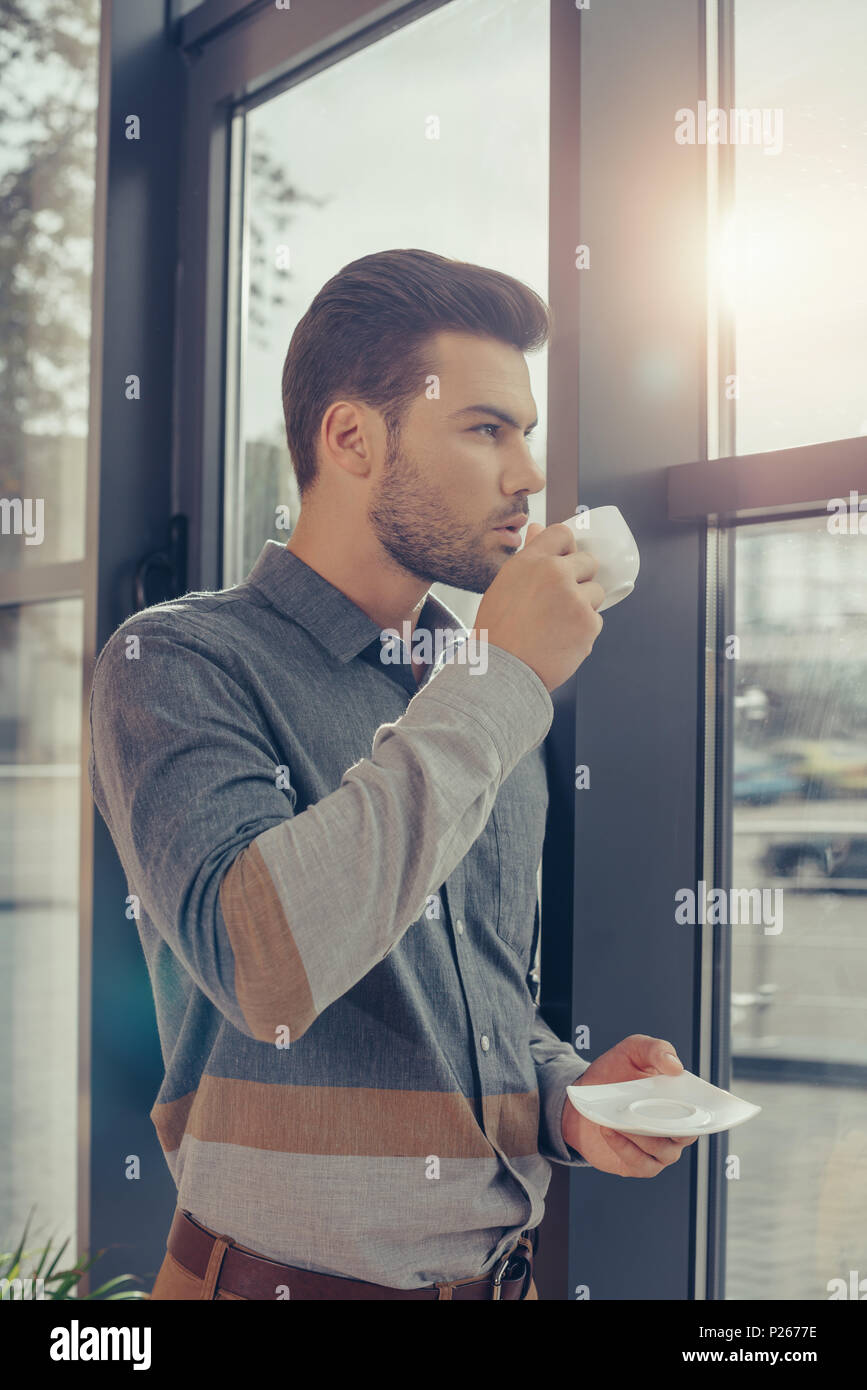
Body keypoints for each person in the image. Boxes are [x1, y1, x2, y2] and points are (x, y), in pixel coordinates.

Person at [88, 248, 695, 1302]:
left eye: (526, 432)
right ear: (352, 438)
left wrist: (564, 1100)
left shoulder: (478, 688)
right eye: (484, 428)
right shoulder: (179, 662)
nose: (529, 476)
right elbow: (262, 969)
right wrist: (501, 678)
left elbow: (473, 999)